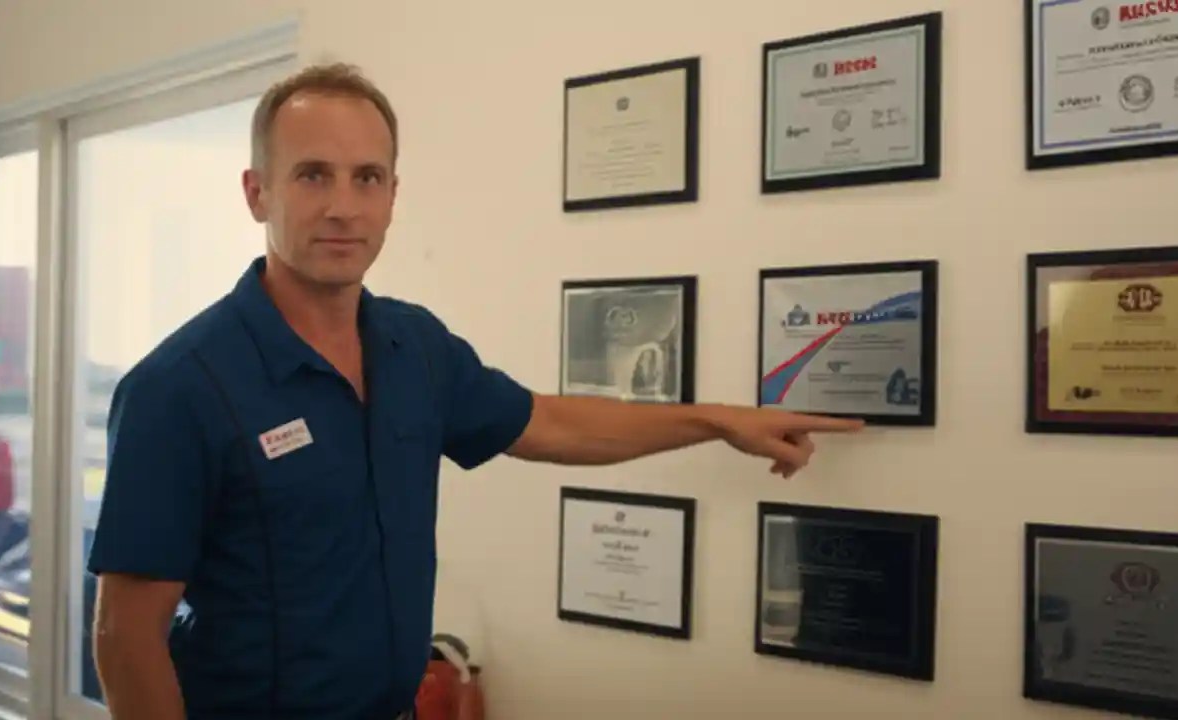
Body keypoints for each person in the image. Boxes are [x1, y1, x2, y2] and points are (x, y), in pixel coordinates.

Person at [86, 62, 865, 720]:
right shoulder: (179, 388)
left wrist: (719, 421)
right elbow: (125, 636)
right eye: (312, 175)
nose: (343, 206)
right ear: (258, 193)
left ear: (394, 194)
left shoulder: (413, 347)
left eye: (368, 178)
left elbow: (552, 423)